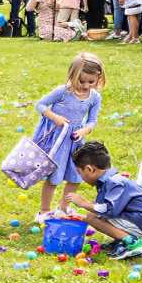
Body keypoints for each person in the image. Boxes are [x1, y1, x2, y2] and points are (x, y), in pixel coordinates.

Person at [25, 52, 103, 221]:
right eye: (81, 81)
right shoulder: (63, 91)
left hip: (75, 142)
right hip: (57, 141)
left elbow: (92, 121)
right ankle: (44, 211)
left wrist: (83, 131)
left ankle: (63, 208)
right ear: (72, 75)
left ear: (98, 78)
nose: (86, 85)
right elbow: (40, 105)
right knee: (54, 177)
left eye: (91, 82)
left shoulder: (94, 97)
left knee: (75, 177)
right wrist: (55, 118)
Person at [60, 141, 142, 261]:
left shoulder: (115, 182)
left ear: (90, 169)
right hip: (138, 220)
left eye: (80, 173)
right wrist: (77, 215)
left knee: (91, 217)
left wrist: (84, 203)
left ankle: (131, 243)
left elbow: (108, 210)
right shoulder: (107, 181)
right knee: (92, 214)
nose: (80, 178)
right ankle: (122, 240)